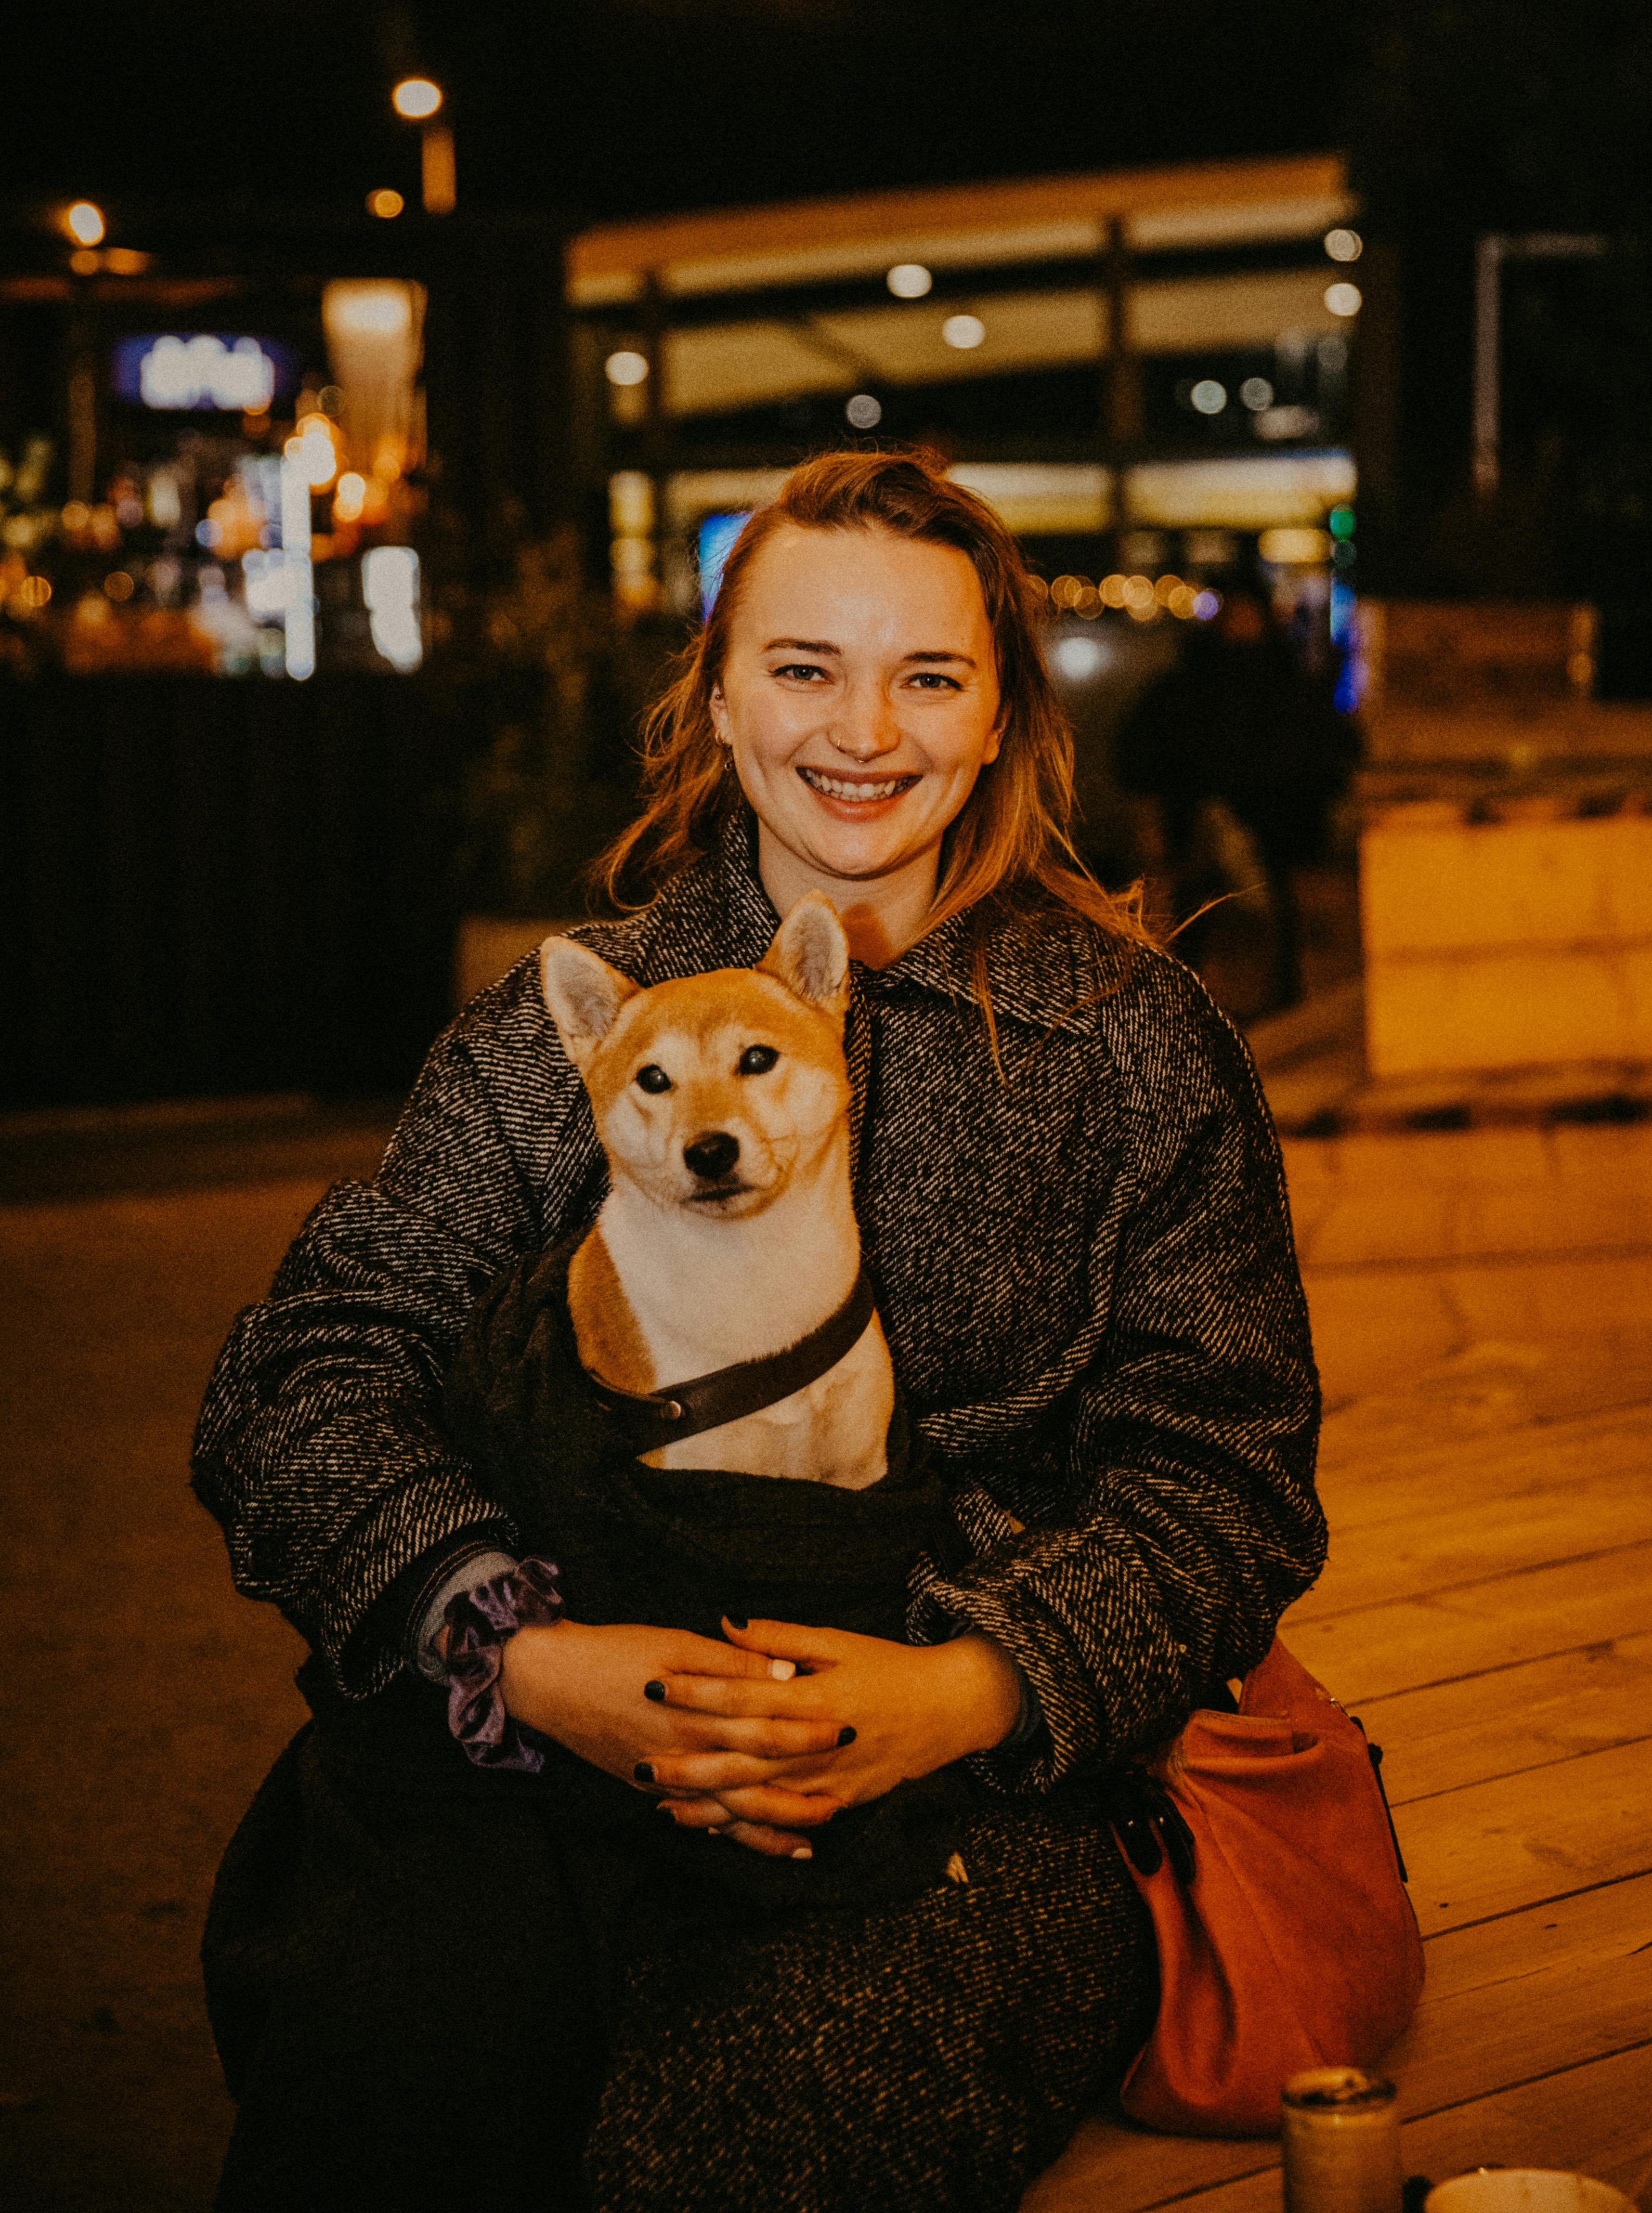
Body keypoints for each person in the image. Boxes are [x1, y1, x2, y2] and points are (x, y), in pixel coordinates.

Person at [191, 448, 1326, 2213]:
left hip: (975, 1789)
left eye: (927, 676)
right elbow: (304, 1379)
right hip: (555, 1740)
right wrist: (511, 1649)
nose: (863, 731)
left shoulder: (1132, 1046)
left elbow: (1228, 1479)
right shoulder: (574, 1030)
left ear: (998, 717)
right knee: (395, 2084)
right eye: (803, 667)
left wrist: (975, 1685)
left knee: (738, 2144)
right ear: (716, 697)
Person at [1115, 588, 1357, 1013]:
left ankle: (1276, 999)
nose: (1242, 625)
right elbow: (1145, 745)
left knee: (1272, 916)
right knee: (1198, 914)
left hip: (1272, 821)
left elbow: (1323, 747)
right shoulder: (1194, 683)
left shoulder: (1283, 683)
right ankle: (1188, 1002)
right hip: (1202, 819)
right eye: (1235, 615)